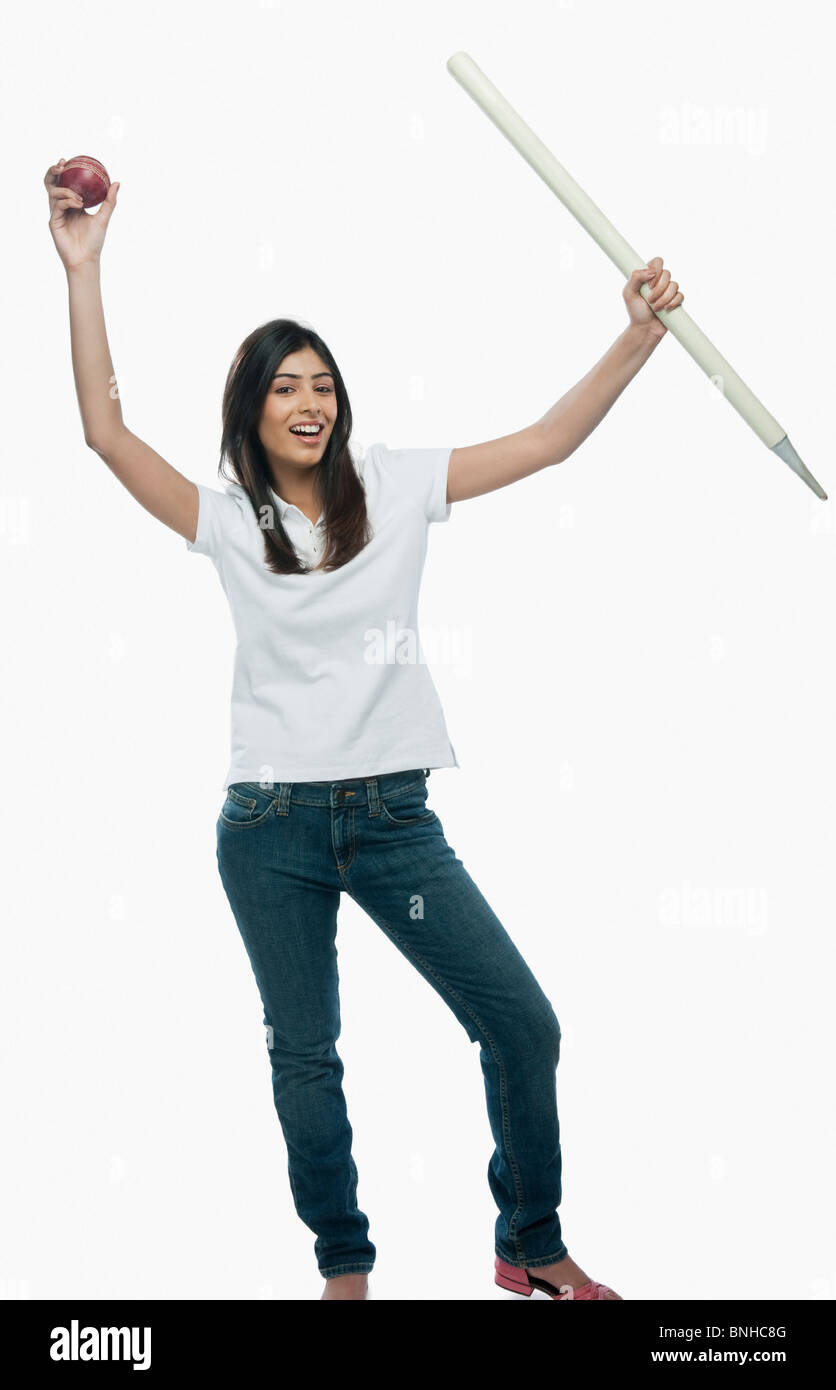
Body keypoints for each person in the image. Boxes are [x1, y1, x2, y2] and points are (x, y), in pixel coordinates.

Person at [45, 156, 683, 1302]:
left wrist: (634, 336)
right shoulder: (224, 519)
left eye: (323, 384)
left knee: (519, 1024)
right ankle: (344, 1268)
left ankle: (527, 1243)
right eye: (285, 386)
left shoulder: (392, 485)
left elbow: (544, 441)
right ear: (252, 407)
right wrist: (84, 269)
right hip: (271, 828)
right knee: (306, 1057)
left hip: (392, 826)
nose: (309, 403)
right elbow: (104, 427)